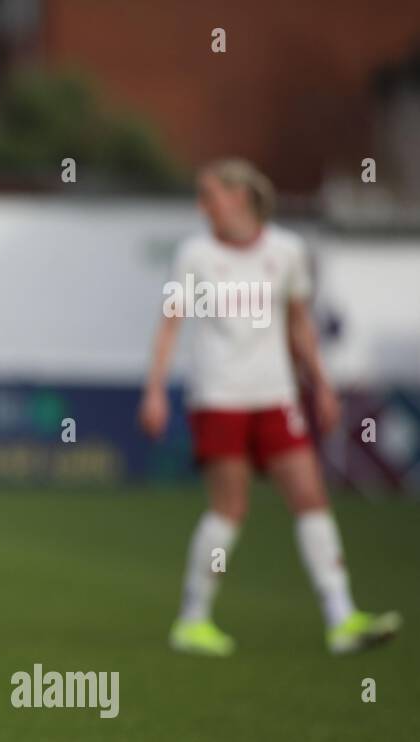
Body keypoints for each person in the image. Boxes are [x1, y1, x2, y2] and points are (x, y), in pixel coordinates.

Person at [140, 158, 401, 657]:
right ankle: (194, 618)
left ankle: (341, 616)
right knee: (229, 510)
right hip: (219, 397)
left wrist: (321, 384)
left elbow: (298, 323)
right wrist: (154, 389)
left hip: (276, 396)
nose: (202, 206)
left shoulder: (286, 252)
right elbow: (170, 322)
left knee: (310, 497)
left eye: (209, 195)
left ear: (239, 198)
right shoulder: (194, 255)